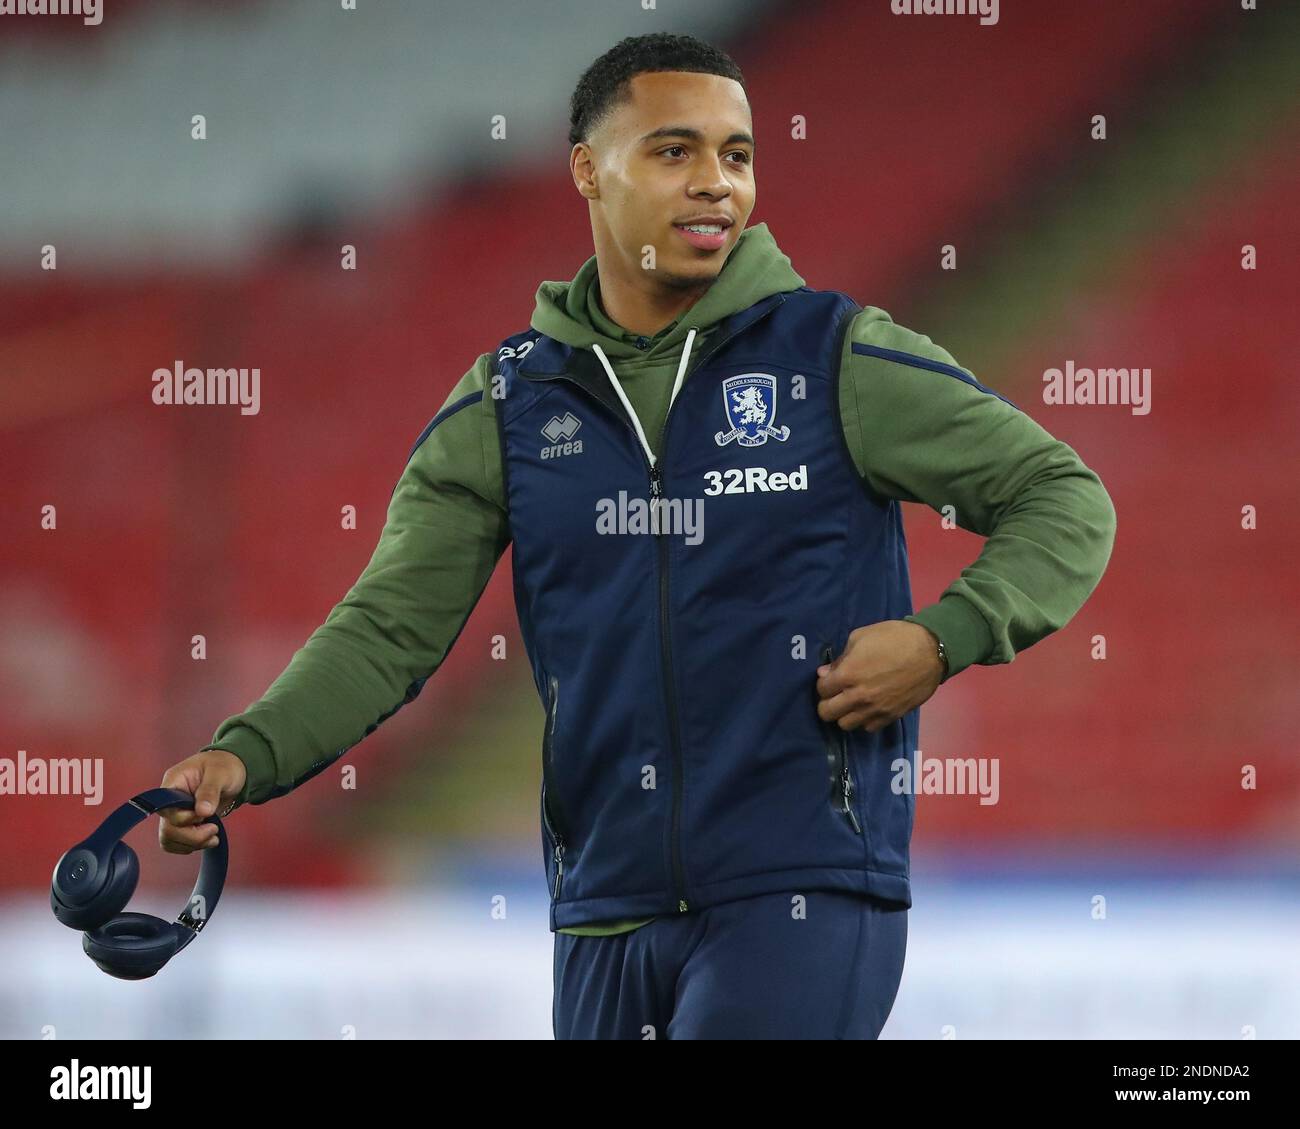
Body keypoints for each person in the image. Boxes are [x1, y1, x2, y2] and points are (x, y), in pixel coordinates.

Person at [159, 32, 1116, 1039]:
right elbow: (391, 625)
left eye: (736, 155)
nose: (716, 184)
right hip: (602, 916)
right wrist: (243, 758)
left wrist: (940, 638)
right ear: (587, 169)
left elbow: (1063, 497)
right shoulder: (509, 400)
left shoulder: (837, 356)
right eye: (675, 152)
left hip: (799, 893)